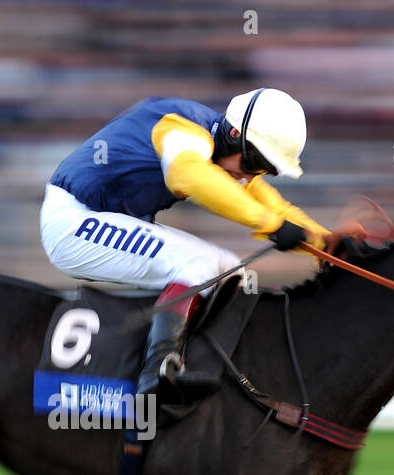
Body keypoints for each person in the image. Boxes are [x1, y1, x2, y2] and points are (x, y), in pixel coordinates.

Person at [40, 88, 344, 398]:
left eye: (265, 169)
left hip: (101, 219)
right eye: (255, 163)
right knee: (196, 265)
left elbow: (275, 207)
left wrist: (326, 242)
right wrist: (272, 225)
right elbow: (187, 176)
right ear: (234, 132)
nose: (253, 175)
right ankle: (157, 375)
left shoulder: (225, 150)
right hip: (73, 222)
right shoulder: (182, 130)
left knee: (229, 270)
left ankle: (203, 366)